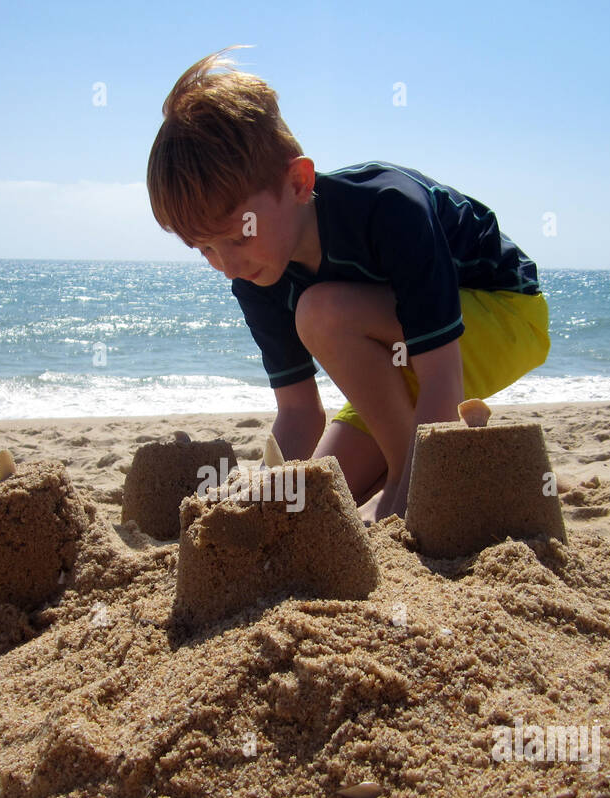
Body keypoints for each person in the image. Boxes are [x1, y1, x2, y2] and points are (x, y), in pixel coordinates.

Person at [146, 49, 550, 521]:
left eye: (239, 235)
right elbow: (300, 415)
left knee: (321, 313)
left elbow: (443, 375)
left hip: (502, 314)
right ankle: (491, 474)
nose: (228, 264)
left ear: (299, 181)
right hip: (401, 355)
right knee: (316, 503)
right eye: (206, 250)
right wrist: (256, 508)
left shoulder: (388, 208)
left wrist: (411, 496)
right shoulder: (255, 275)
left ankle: (408, 486)